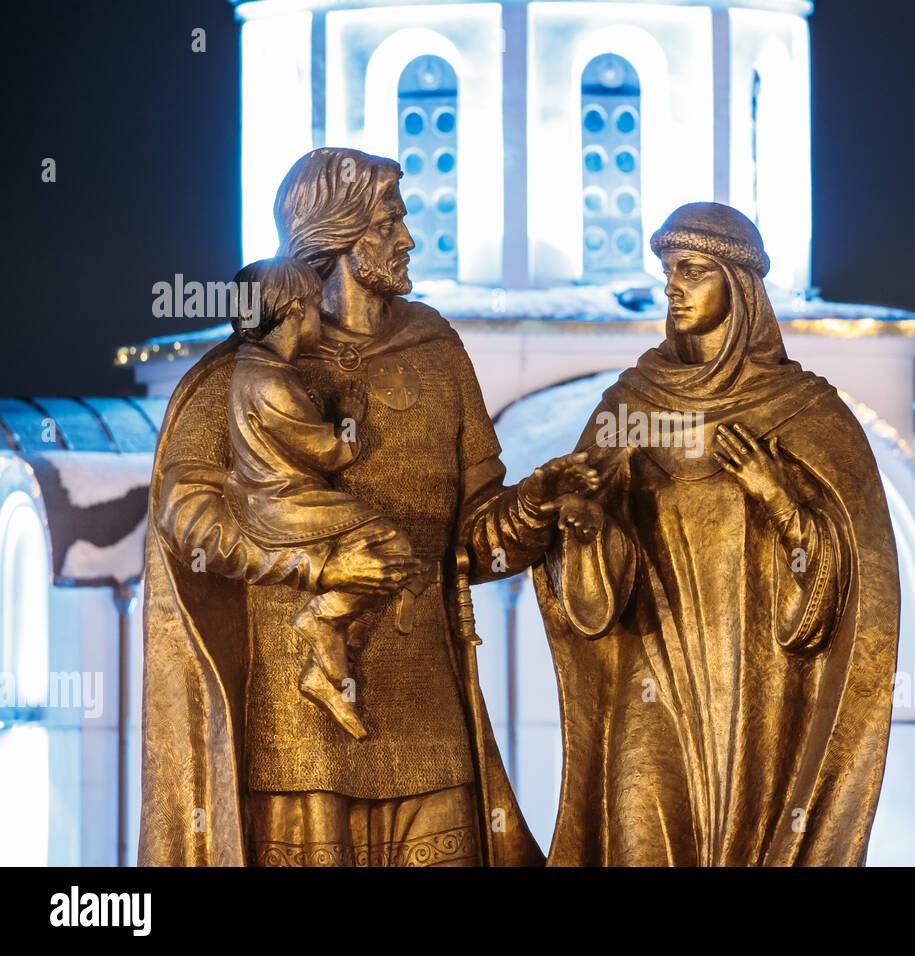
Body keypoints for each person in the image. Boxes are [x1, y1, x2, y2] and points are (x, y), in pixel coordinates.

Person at [141, 148, 595, 867]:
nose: (408, 240)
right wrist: (312, 562)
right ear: (341, 234)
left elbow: (471, 540)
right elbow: (189, 517)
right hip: (298, 733)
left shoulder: (437, 351)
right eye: (390, 222)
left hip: (428, 717)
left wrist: (537, 508)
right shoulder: (248, 367)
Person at [534, 202, 902, 866]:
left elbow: (842, 586)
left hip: (753, 694)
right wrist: (587, 528)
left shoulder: (806, 413)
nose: (672, 286)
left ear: (738, 284)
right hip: (649, 675)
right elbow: (590, 599)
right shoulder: (630, 405)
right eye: (668, 270)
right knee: (638, 829)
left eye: (691, 270)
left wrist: (781, 500)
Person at [225, 256, 421, 740]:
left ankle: (330, 669)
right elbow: (333, 452)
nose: (322, 318)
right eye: (315, 307)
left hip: (286, 500)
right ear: (293, 312)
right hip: (287, 505)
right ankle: (320, 617)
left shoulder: (264, 372)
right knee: (390, 546)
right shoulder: (270, 383)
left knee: (382, 563)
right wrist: (349, 415)